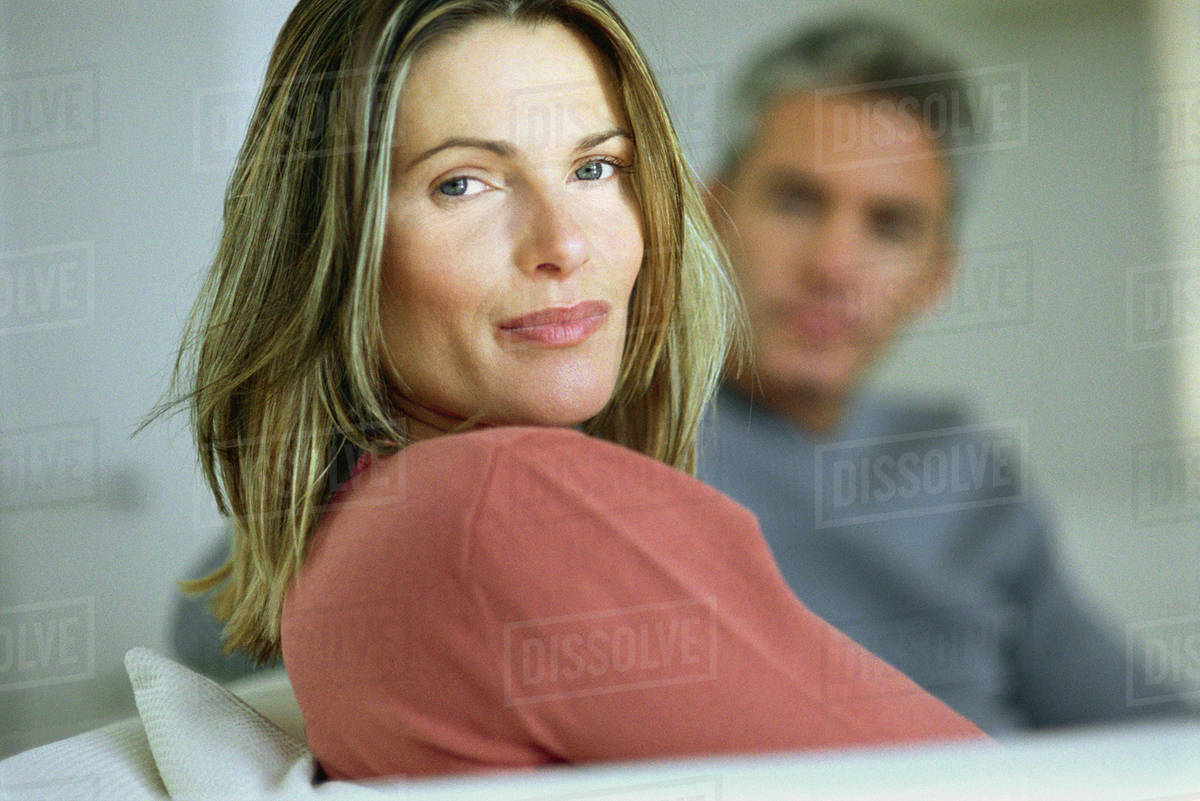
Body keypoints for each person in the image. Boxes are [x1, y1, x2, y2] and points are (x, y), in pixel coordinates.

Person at [154, 0, 983, 782]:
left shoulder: (366, 529)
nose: (565, 242)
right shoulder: (505, 503)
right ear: (334, 249)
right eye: (462, 183)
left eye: (595, 167)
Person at [698, 15, 1191, 733]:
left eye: (890, 226)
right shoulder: (631, 448)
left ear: (938, 274)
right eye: (796, 202)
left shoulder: (959, 464)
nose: (833, 266)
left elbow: (1153, 732)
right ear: (711, 214)